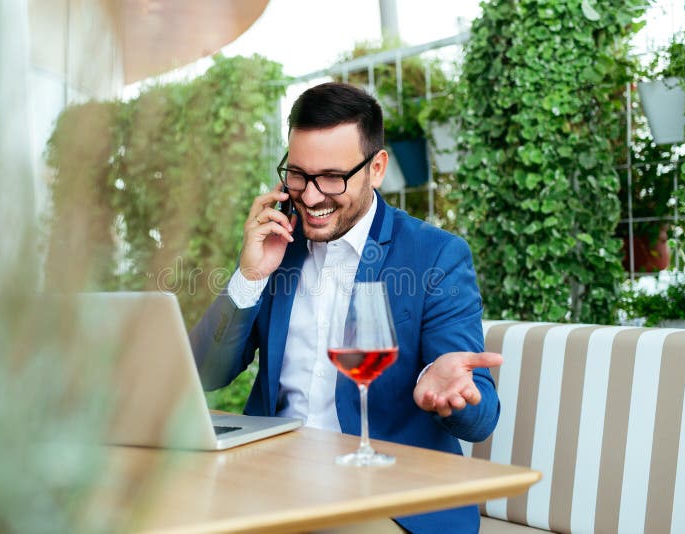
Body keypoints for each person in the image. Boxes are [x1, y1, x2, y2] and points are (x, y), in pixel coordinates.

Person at [190, 82, 502, 533]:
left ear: (376, 169)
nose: (310, 196)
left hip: (386, 499)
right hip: (270, 483)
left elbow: (481, 418)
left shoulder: (435, 256)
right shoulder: (277, 246)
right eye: (298, 175)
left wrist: (451, 395)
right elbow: (205, 373)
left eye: (332, 177)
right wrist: (250, 276)